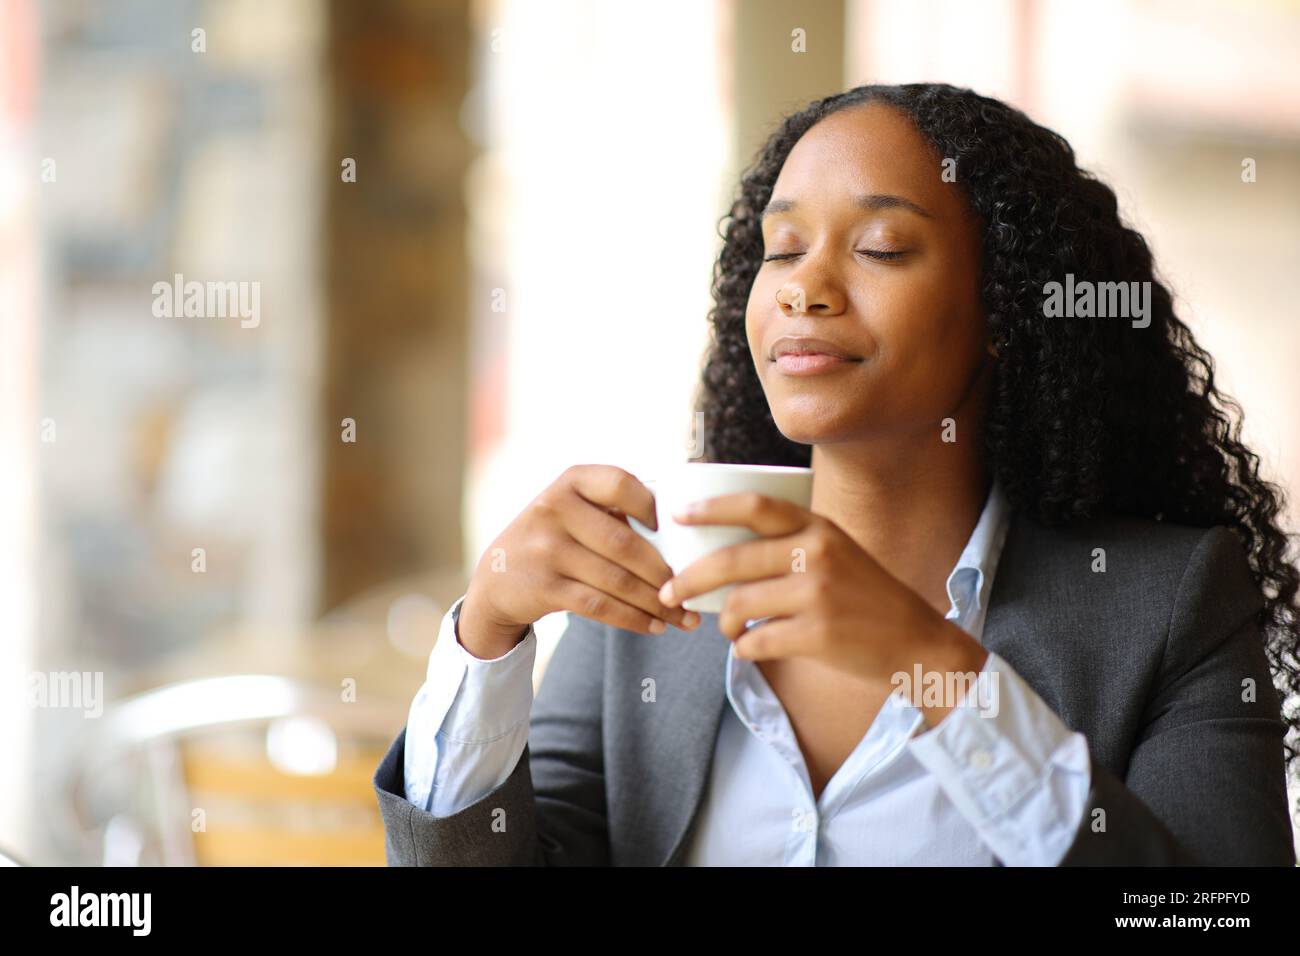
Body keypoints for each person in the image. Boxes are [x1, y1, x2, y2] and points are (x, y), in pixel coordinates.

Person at [372, 82, 1298, 865]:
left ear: (1003, 309)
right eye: (781, 250)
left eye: (881, 249)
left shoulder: (1171, 605)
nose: (800, 287)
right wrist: (485, 642)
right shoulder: (657, 594)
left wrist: (936, 674)